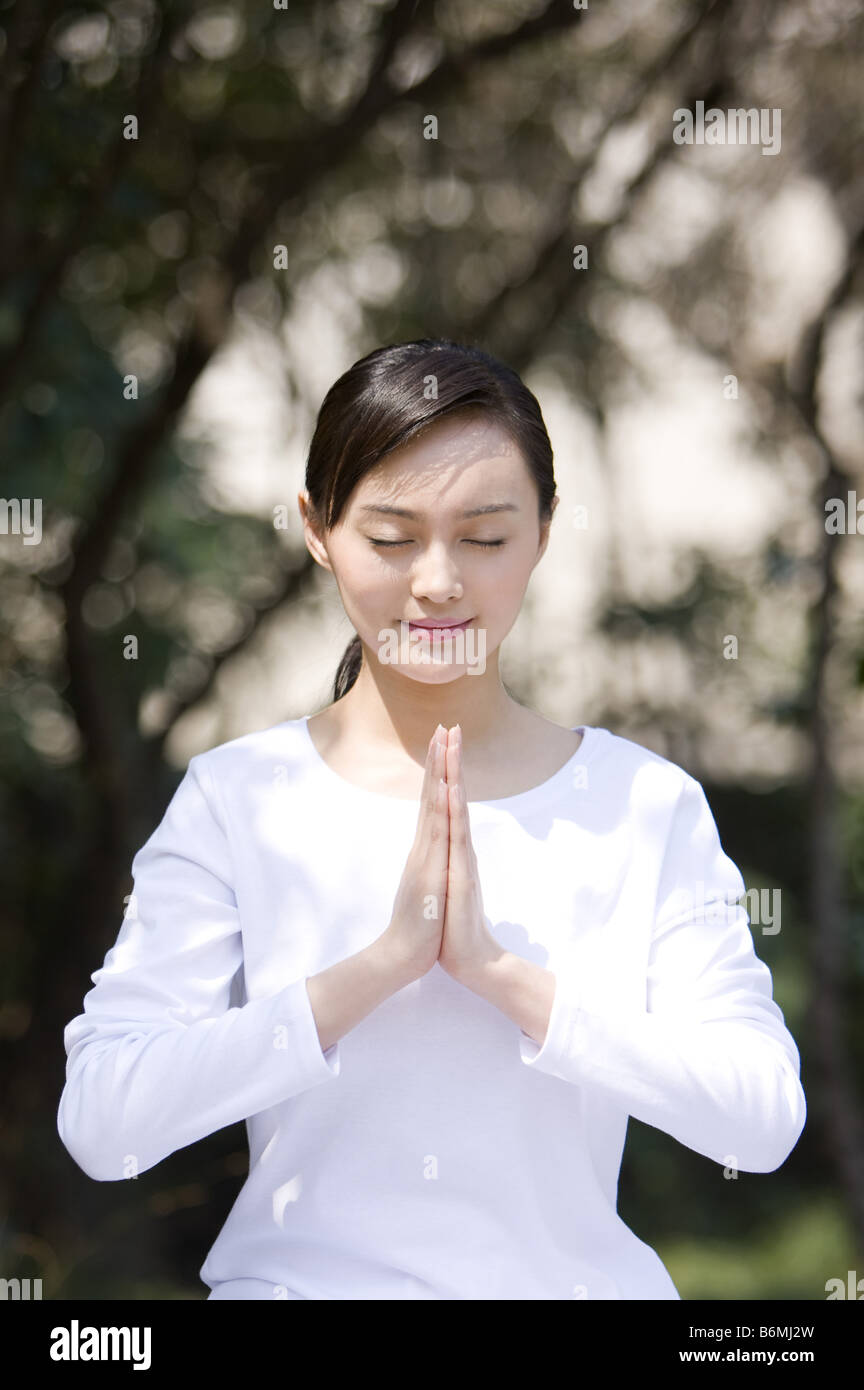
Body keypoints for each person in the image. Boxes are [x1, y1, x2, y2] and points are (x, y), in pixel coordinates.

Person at [57, 337, 806, 1300]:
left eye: (485, 538)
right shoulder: (237, 797)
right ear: (316, 528)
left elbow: (760, 1119)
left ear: (544, 529)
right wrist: (372, 973)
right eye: (391, 537)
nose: (439, 582)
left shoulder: (644, 804)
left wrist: (504, 979)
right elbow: (105, 1123)